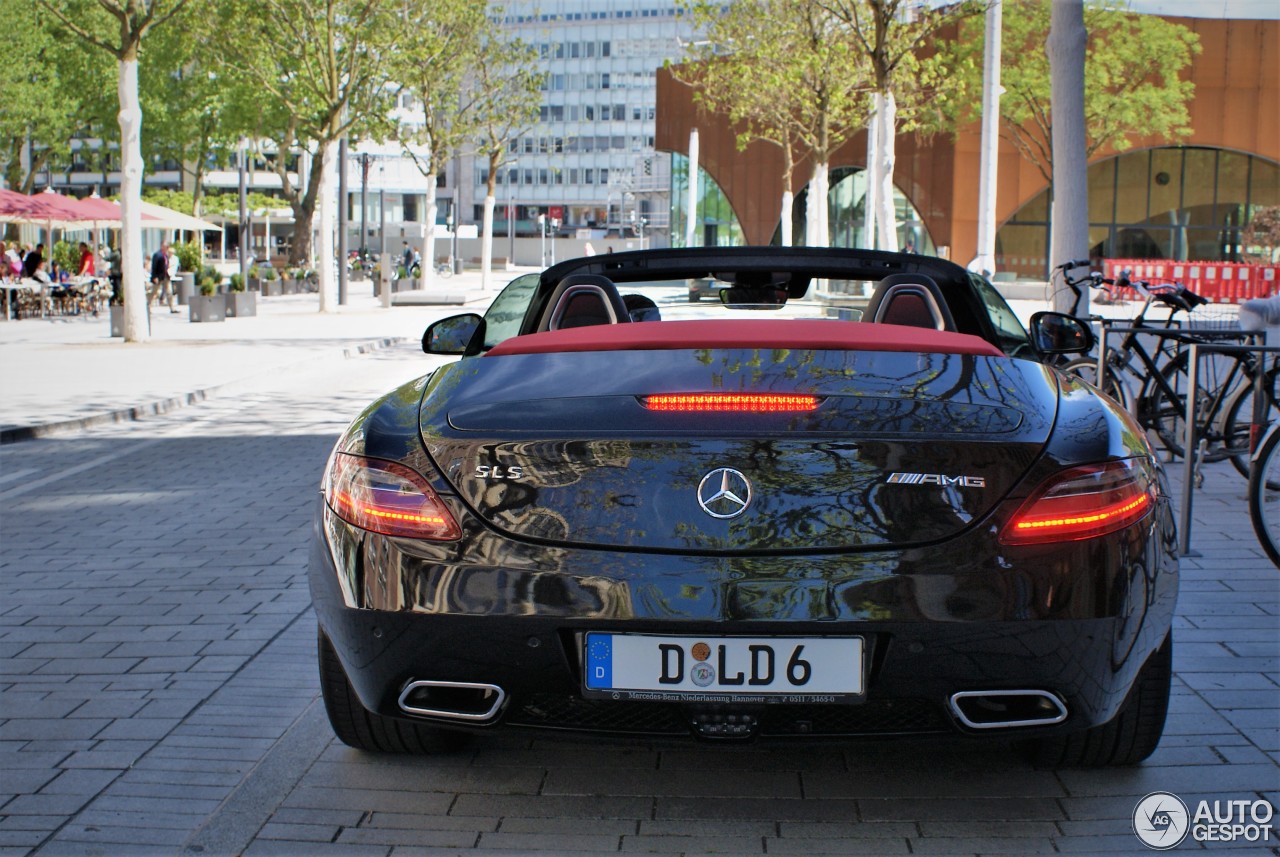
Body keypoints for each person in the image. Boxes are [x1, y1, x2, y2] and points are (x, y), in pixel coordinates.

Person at [149, 241, 177, 312]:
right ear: (162, 246)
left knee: (169, 292)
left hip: (166, 276)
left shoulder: (166, 255)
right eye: (166, 246)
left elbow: (166, 265)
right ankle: (148, 307)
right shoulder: (157, 255)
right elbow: (154, 267)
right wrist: (154, 277)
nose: (167, 248)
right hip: (158, 277)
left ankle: (172, 308)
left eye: (168, 246)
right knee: (154, 292)